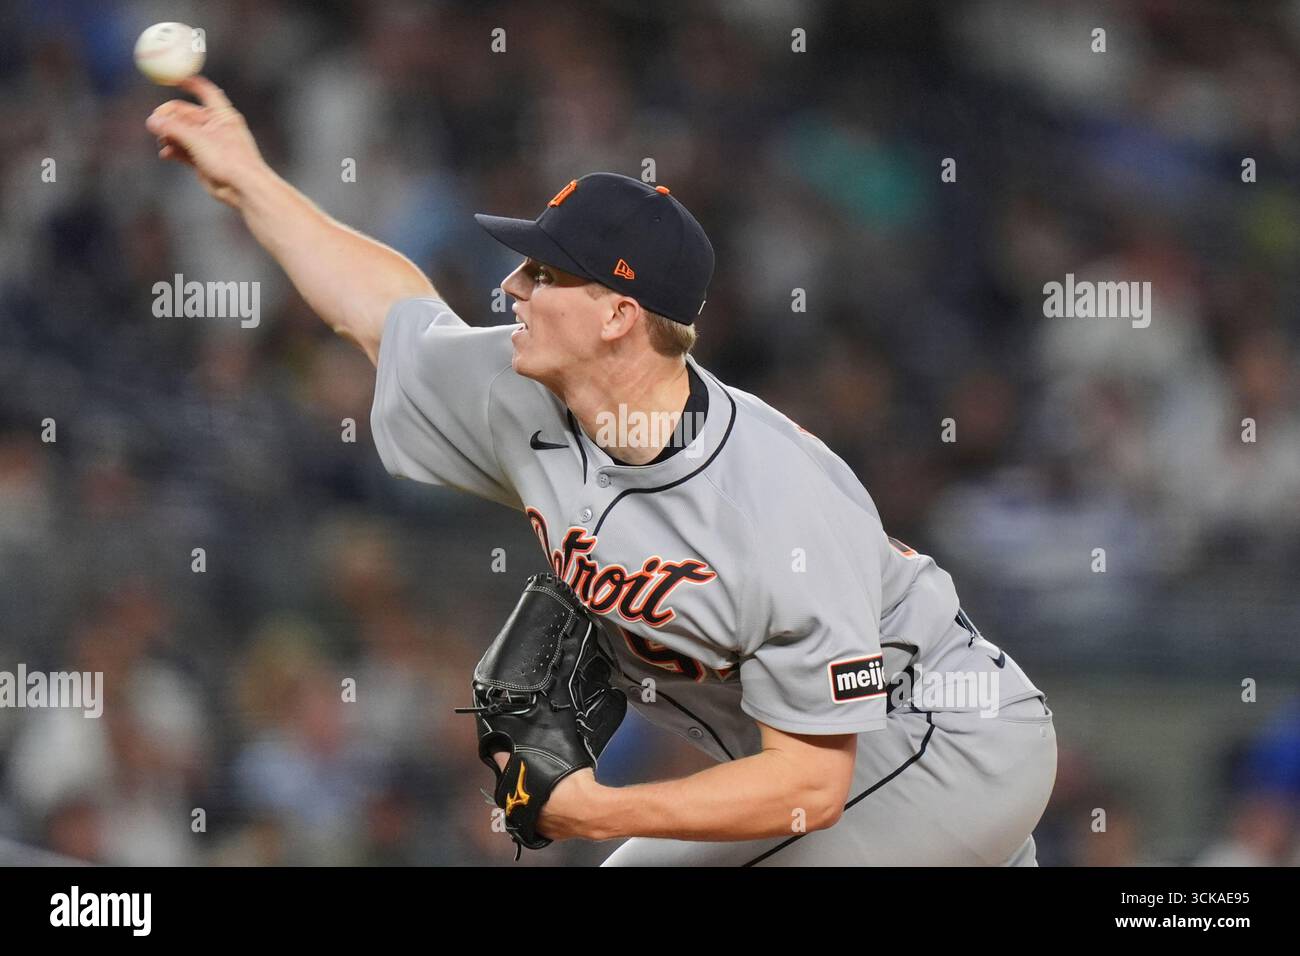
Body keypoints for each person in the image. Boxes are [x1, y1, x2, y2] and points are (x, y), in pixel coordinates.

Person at [146, 77, 1057, 865]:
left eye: (545, 273)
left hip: (942, 739)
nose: (513, 291)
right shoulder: (526, 394)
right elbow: (384, 316)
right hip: (851, 758)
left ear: (620, 314)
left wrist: (596, 811)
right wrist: (249, 182)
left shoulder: (773, 506)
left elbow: (811, 787)